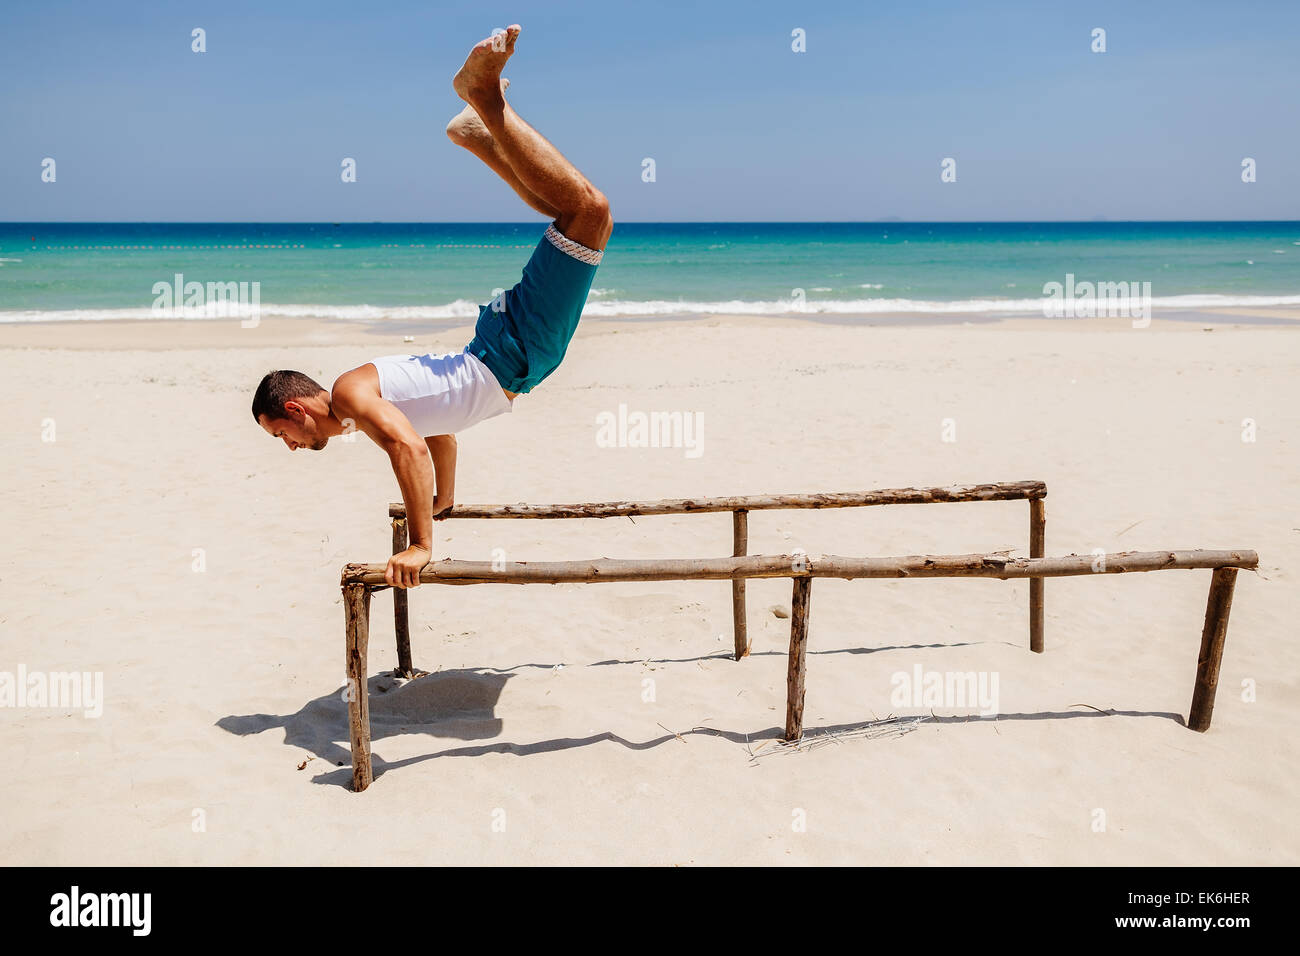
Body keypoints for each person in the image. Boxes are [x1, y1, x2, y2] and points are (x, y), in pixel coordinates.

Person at [251, 24, 612, 590]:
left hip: (510, 352)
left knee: (590, 213)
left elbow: (409, 444)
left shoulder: (349, 396)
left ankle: (486, 101)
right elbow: (437, 432)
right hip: (501, 350)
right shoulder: (355, 410)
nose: (291, 449)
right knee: (575, 218)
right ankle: (477, 132)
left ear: (297, 410)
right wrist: (445, 494)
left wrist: (421, 544)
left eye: (282, 436)